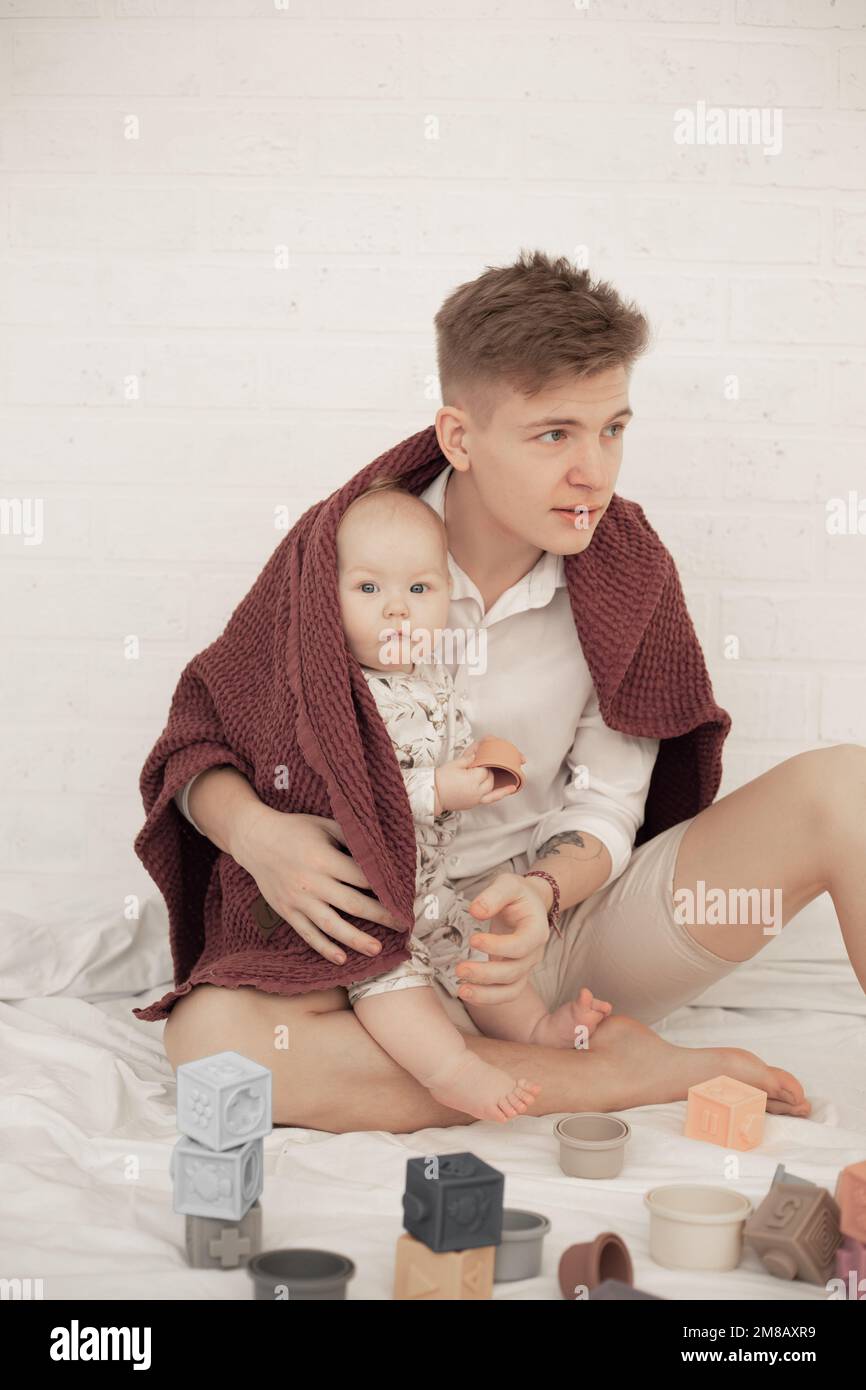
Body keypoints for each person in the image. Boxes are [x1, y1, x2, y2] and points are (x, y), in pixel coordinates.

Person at [161, 250, 866, 1133]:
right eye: (554, 434)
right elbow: (202, 734)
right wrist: (257, 835)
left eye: (613, 429)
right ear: (460, 437)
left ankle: (532, 1049)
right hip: (381, 957)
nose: (594, 473)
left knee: (850, 787)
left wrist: (540, 896)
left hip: (543, 940)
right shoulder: (348, 553)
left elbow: (611, 798)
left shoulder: (626, 567)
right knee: (215, 1049)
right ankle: (629, 1075)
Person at [335, 483, 612, 1122]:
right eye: (370, 590)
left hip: (432, 885)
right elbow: (344, 795)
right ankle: (450, 1070)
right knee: (388, 980)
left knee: (478, 951)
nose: (397, 612)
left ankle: (541, 1032)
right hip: (366, 899)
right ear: (331, 596)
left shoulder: (431, 676)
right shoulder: (348, 694)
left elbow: (439, 745)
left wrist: (484, 759)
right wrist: (438, 789)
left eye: (420, 590)